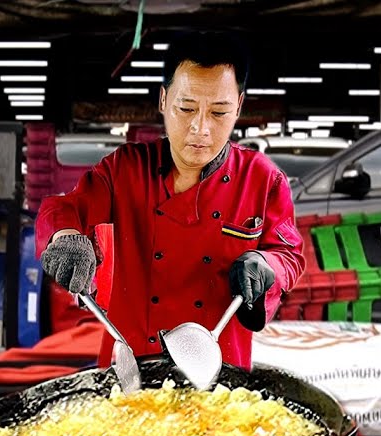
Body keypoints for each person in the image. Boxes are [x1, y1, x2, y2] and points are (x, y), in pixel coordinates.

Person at [36, 31, 306, 371]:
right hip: (131, 366)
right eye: (186, 107)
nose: (200, 128)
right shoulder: (125, 169)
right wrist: (65, 237)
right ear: (163, 100)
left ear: (239, 106)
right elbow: (64, 209)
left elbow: (289, 255)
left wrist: (268, 266)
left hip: (221, 370)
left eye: (219, 112)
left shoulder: (262, 179)